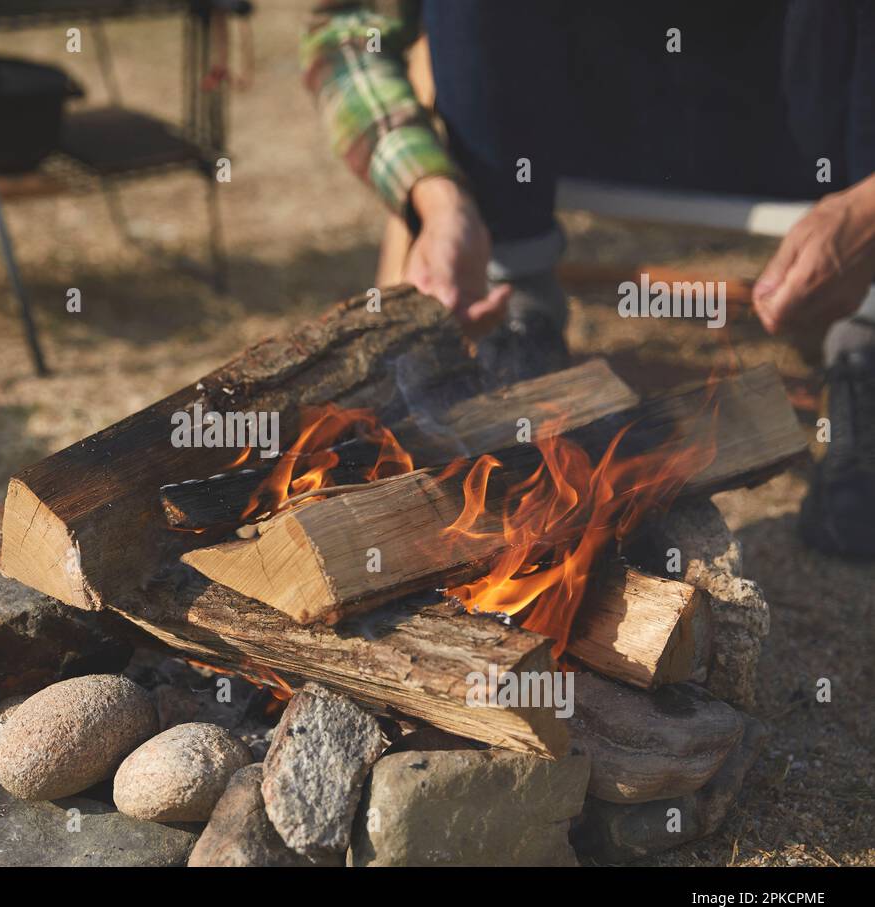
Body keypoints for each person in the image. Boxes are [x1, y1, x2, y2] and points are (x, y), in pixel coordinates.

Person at [302, 0, 875, 559]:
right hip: (572, 115)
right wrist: (439, 197)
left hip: (809, 112)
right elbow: (349, 30)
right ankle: (519, 313)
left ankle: (866, 332)